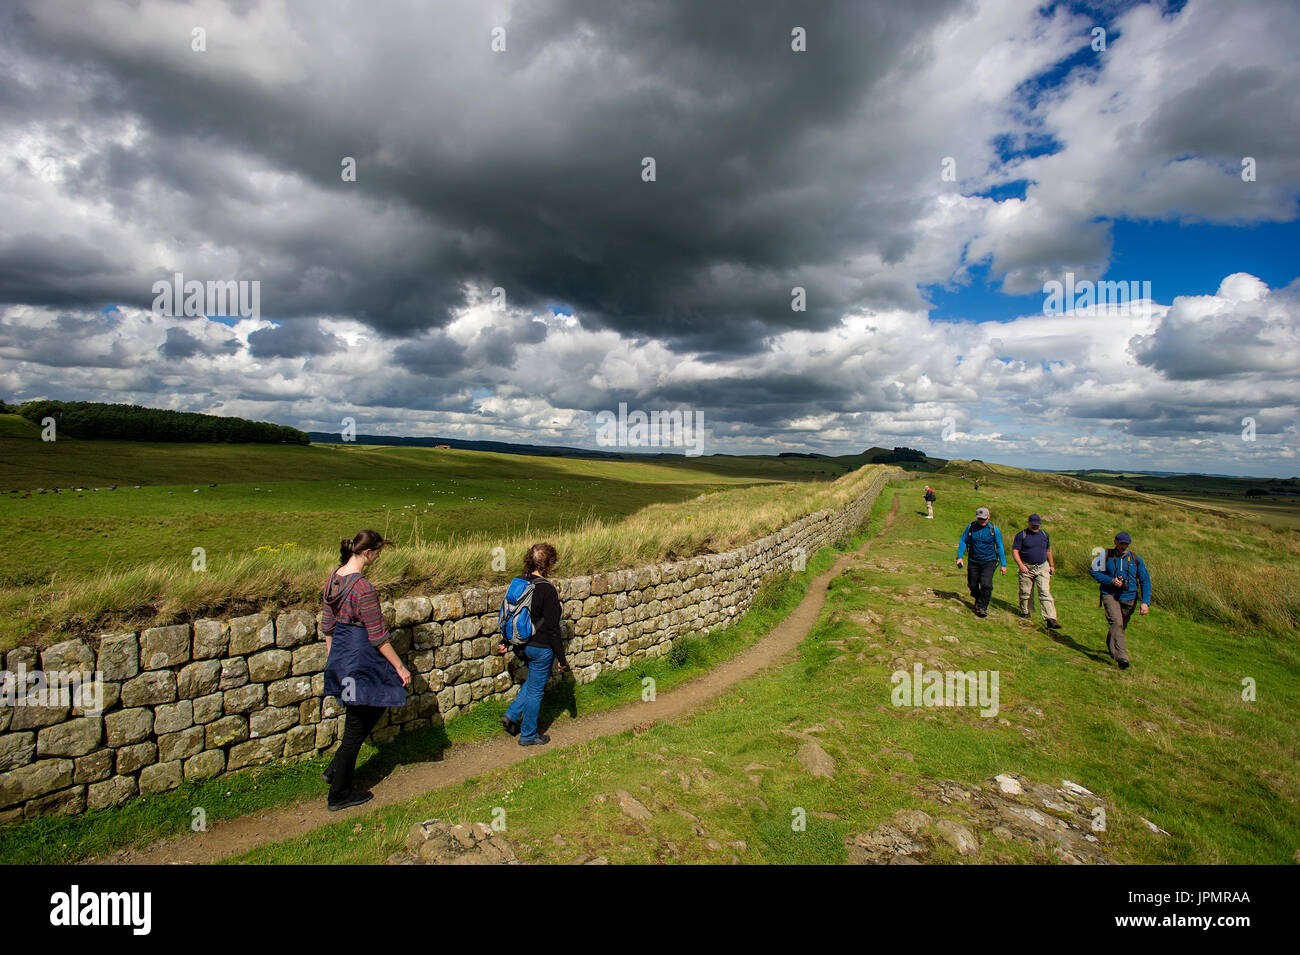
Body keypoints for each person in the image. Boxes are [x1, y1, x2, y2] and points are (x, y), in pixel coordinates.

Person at [321, 529, 410, 810]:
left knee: (368, 710)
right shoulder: (363, 588)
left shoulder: (333, 580)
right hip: (361, 658)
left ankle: (334, 770)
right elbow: (378, 636)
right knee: (356, 728)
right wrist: (400, 667)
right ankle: (339, 795)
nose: (378, 557)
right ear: (368, 553)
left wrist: (333, 656)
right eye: (378, 553)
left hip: (342, 654)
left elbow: (327, 625)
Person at [497, 542, 570, 746]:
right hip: (541, 647)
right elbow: (554, 629)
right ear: (548, 563)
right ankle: (528, 734)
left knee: (533, 682)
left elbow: (510, 613)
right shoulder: (547, 589)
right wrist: (561, 659)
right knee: (537, 690)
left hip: (521, 644)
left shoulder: (519, 581)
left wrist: (506, 640)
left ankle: (512, 715)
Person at [1089, 532, 1151, 670]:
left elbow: (1145, 580)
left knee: (1119, 627)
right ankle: (1122, 657)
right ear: (1115, 542)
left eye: (1126, 544)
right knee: (1116, 622)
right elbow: (1093, 571)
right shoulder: (1106, 555)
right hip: (1110, 594)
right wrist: (1110, 581)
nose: (1124, 546)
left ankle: (1112, 648)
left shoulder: (1136, 559)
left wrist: (1145, 602)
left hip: (1130, 598)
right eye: (1121, 543)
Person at [1013, 514, 1061, 629]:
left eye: (1037, 524)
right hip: (1026, 567)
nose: (1035, 526)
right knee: (1025, 591)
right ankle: (1026, 612)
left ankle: (1051, 619)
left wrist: (1052, 565)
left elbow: (1048, 551)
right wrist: (1021, 565)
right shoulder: (1021, 535)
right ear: (1029, 523)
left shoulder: (1044, 535)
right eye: (1033, 524)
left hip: (1042, 567)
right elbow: (1015, 551)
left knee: (1044, 591)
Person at [956, 507, 1005, 618]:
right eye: (980, 519)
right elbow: (963, 541)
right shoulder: (971, 527)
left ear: (989, 517)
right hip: (973, 561)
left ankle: (982, 607)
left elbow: (1000, 546)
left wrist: (1003, 564)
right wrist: (959, 557)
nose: (982, 521)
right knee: (972, 585)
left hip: (989, 561)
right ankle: (978, 599)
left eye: (984, 519)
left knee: (986, 584)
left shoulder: (994, 530)